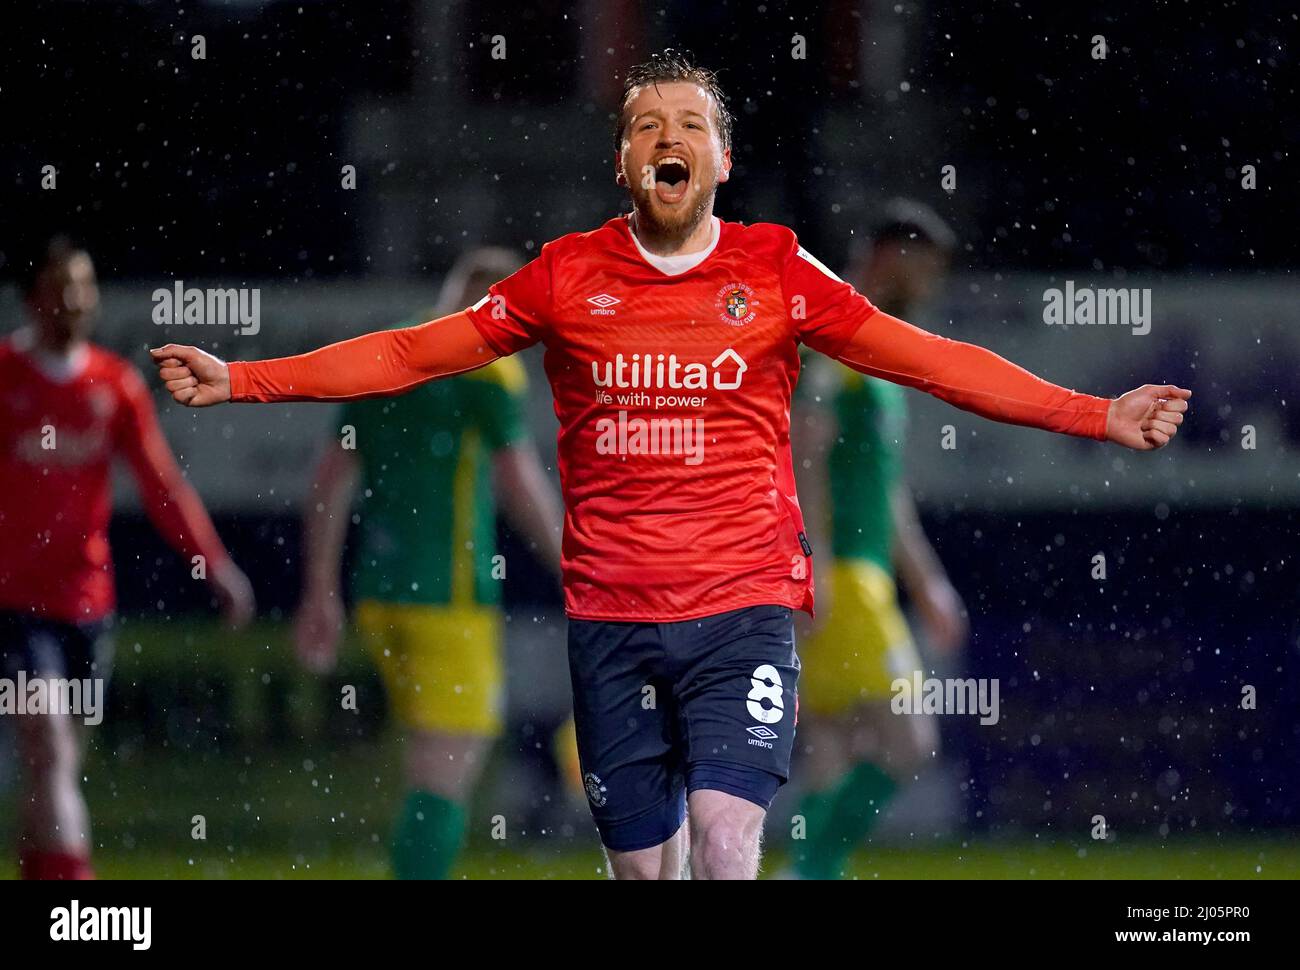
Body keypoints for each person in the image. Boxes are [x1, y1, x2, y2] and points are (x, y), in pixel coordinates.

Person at [148, 51, 1191, 880]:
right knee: (646, 867)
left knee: (729, 844)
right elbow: (408, 352)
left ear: (722, 160)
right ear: (624, 162)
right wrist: (245, 379)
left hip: (743, 612)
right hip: (613, 624)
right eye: (646, 123)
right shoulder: (564, 278)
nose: (668, 137)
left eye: (691, 123)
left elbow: (930, 361)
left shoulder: (778, 270)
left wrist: (1095, 413)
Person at [292, 247, 564, 879]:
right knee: (447, 774)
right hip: (450, 596)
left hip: (379, 594)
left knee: (425, 768)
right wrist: (576, 569)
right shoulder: (486, 369)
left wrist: (319, 591)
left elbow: (330, 480)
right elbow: (518, 482)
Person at [0, 235, 254, 880]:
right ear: (32, 300)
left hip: (87, 606)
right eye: (61, 288)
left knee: (52, 772)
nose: (75, 301)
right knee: (49, 754)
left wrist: (214, 565)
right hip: (15, 607)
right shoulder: (5, 378)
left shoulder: (113, 385)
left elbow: (162, 485)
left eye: (84, 287)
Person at [790, 200, 967, 879]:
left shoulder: (869, 342)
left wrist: (927, 584)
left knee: (832, 750)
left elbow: (885, 491)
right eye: (925, 269)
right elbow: (805, 450)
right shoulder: (836, 329)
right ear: (894, 256)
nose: (930, 286)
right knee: (909, 740)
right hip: (844, 574)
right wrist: (816, 561)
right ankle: (806, 873)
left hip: (855, 569)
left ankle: (809, 875)